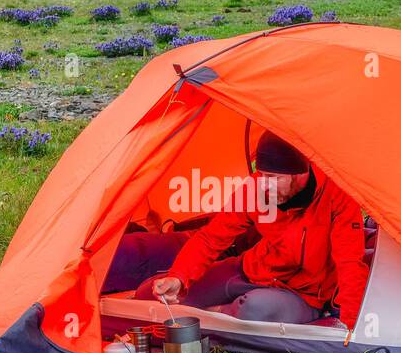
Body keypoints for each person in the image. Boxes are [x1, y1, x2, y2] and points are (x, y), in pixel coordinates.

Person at [134, 131, 369, 330]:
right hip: (252, 271)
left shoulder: (338, 198)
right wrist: (178, 276)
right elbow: (210, 238)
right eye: (262, 174)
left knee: (254, 310)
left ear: (299, 174)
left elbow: (350, 263)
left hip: (303, 294)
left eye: (274, 177)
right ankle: (216, 313)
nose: (264, 184)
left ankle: (215, 313)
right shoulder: (257, 189)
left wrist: (348, 325)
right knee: (151, 296)